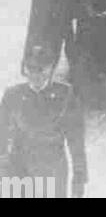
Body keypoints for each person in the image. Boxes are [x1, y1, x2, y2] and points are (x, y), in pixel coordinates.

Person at [0, 44, 87, 198]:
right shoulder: (12, 95)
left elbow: (76, 141)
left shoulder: (65, 96)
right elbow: (2, 134)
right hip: (19, 169)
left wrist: (79, 177)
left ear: (51, 68)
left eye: (41, 69)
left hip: (52, 171)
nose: (35, 75)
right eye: (30, 69)